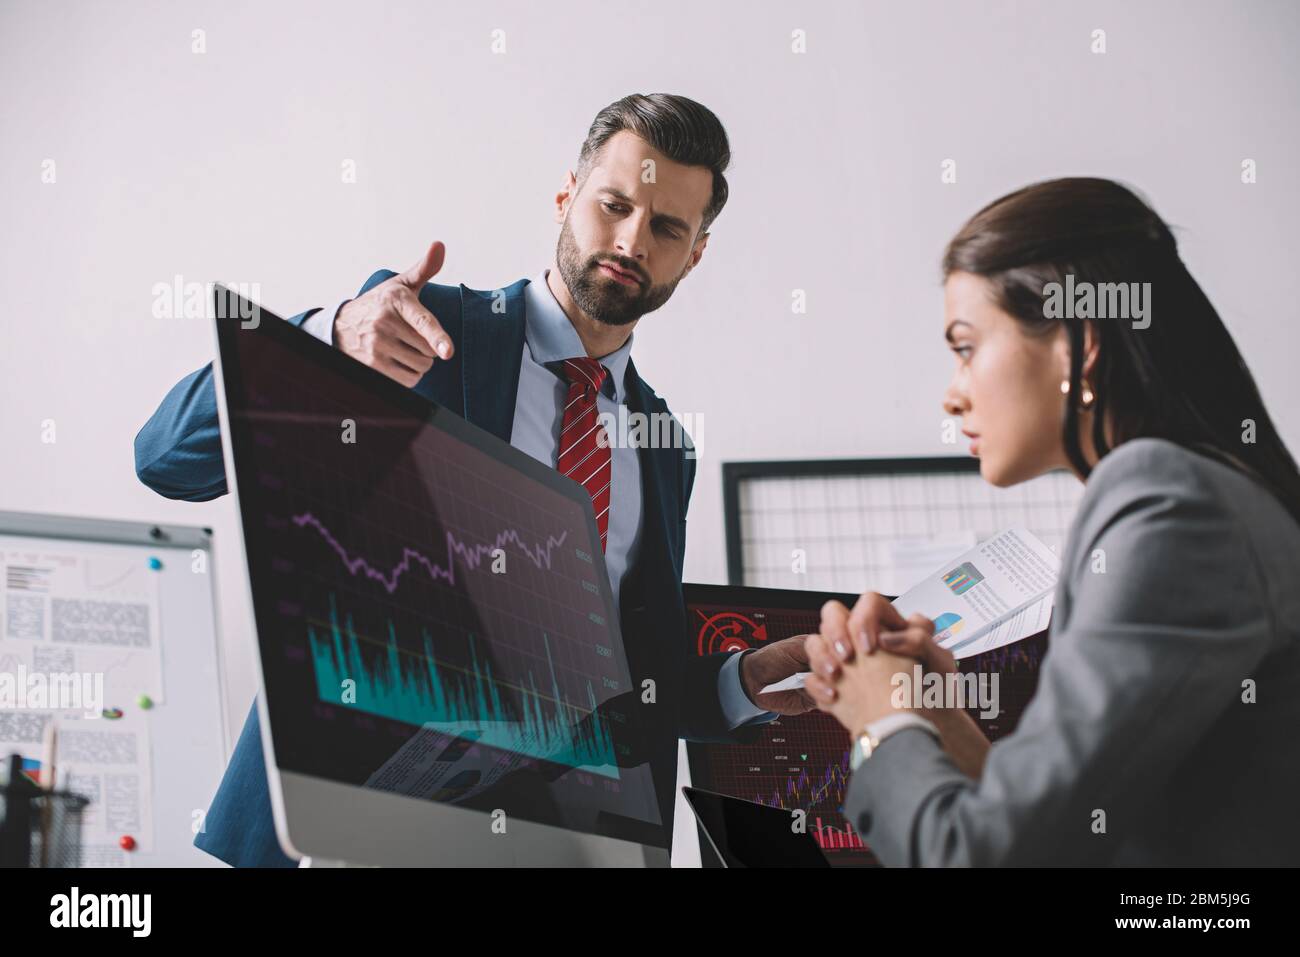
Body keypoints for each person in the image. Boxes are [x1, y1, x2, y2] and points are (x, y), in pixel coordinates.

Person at [134, 93, 813, 866]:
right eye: (614, 204)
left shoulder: (666, 448)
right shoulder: (412, 328)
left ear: (694, 254)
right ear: (567, 196)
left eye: (665, 228)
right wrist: (330, 336)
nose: (631, 241)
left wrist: (741, 682)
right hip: (334, 829)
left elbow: (625, 681)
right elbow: (163, 456)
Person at [804, 177, 1300, 866]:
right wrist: (935, 711)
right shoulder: (1192, 491)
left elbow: (980, 856)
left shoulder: (1167, 503)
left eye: (967, 346)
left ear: (1078, 345)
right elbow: (1062, 836)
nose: (952, 395)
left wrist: (881, 720)